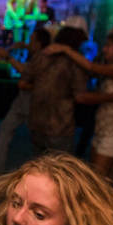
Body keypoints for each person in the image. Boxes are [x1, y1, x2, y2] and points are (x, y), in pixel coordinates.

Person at [43, 31, 113, 179]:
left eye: (108, 46)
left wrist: (66, 49)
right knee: (96, 176)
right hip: (104, 127)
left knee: (97, 179)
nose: (104, 49)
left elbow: (90, 66)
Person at [0, 27, 50, 173]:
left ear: (39, 43)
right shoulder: (36, 54)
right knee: (7, 127)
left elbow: (26, 71)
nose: (29, 43)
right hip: (23, 101)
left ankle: (40, 171)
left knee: (37, 139)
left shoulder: (43, 57)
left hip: (34, 103)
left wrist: (8, 57)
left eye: (31, 41)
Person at [22, 26, 89, 155]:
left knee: (39, 164)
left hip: (37, 120)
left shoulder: (41, 56)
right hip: (60, 123)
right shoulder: (74, 62)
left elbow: (23, 82)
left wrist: (41, 88)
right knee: (59, 168)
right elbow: (80, 95)